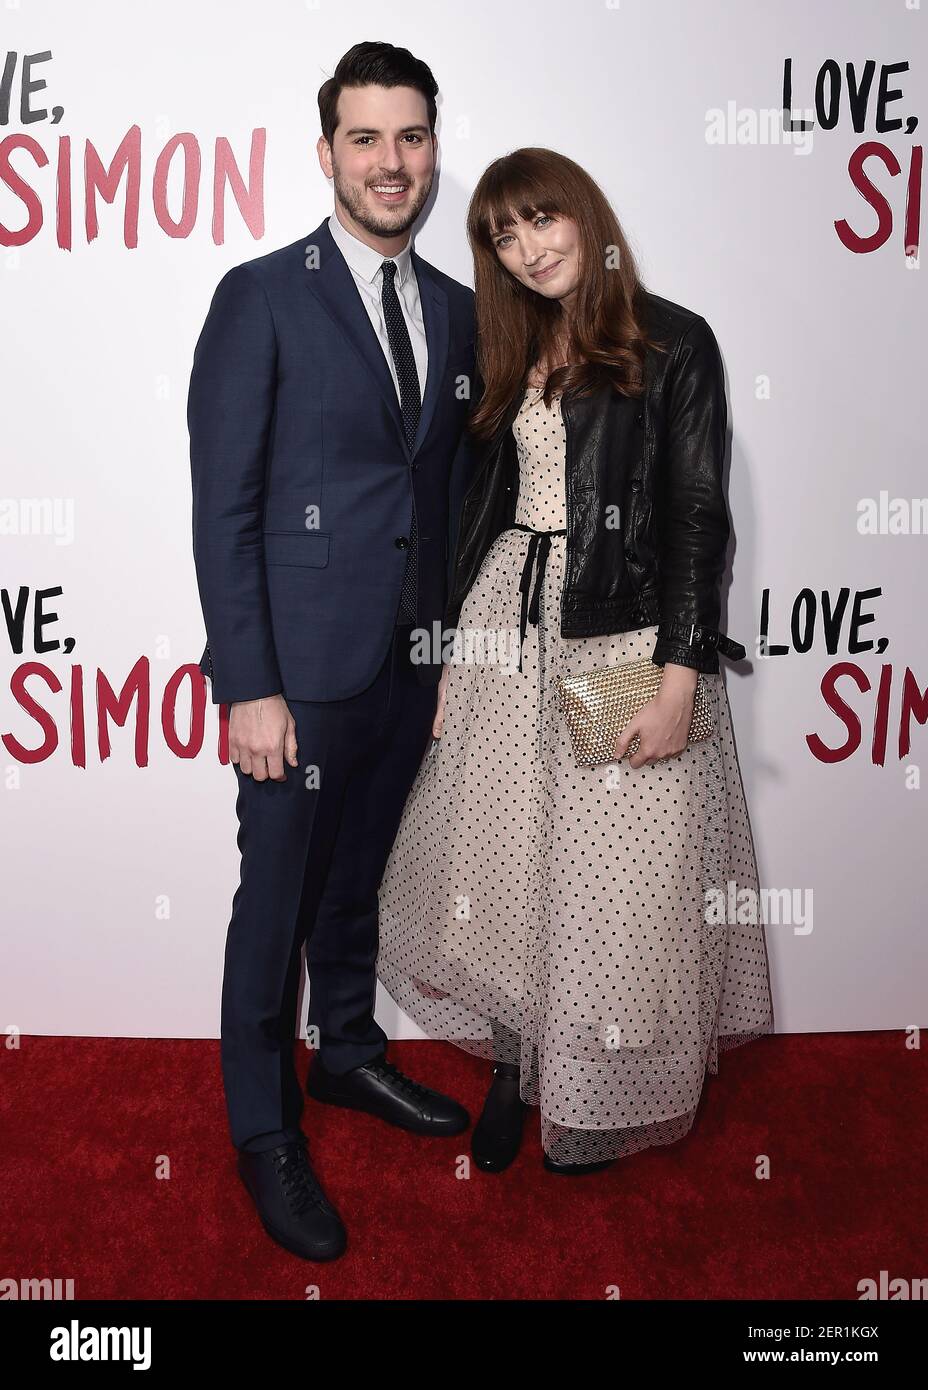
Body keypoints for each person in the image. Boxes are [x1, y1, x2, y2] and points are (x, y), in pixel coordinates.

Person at [377, 147, 774, 1177]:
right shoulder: (512, 348)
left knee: (616, 880)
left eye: (540, 220)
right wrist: (452, 651)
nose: (527, 248)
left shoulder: (673, 341)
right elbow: (485, 507)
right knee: (509, 859)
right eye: (503, 237)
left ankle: (593, 1088)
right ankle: (515, 1066)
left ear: (583, 215)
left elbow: (697, 515)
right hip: (506, 618)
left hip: (619, 631)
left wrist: (682, 673)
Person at [188, 42, 478, 1262]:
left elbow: (453, 492)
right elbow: (225, 505)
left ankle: (347, 1053)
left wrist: (453, 652)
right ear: (326, 155)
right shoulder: (260, 294)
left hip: (407, 666)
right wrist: (248, 682)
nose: (389, 161)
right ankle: (263, 1129)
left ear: (431, 149)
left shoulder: (460, 310)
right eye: (365, 138)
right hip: (297, 679)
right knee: (278, 904)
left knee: (357, 877)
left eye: (409, 137)